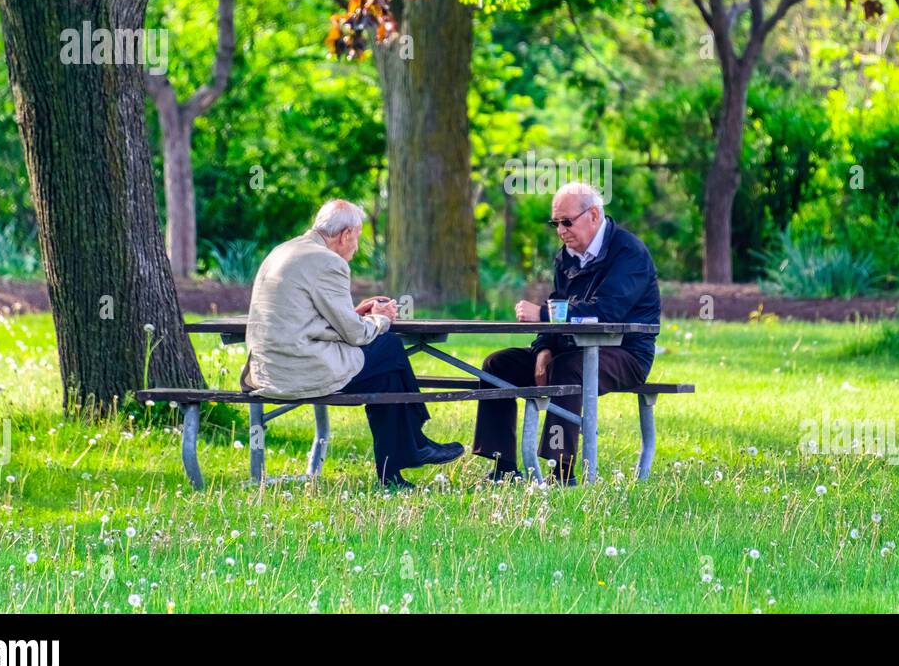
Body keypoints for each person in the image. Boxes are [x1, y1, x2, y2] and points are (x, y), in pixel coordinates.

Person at [243, 199, 462, 488]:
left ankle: (396, 471)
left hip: (268, 369)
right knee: (390, 348)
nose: (356, 248)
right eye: (357, 239)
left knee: (385, 373)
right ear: (346, 234)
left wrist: (355, 315)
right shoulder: (328, 261)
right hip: (300, 372)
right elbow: (357, 336)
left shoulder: (284, 250)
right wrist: (381, 319)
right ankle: (412, 446)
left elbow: (303, 317)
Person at [472, 181, 660, 483]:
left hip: (626, 354)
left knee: (570, 368)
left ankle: (562, 471)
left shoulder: (629, 253)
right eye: (555, 223)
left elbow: (606, 312)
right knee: (498, 366)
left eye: (567, 221)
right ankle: (502, 467)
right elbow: (558, 301)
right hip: (570, 349)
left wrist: (543, 315)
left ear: (594, 215)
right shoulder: (567, 255)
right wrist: (543, 348)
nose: (561, 230)